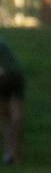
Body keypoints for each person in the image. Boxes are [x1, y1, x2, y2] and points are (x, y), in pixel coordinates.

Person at [0, 36, 25, 166]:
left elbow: (2, 71)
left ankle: (9, 153)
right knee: (15, 118)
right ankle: (15, 154)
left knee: (6, 118)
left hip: (5, 78)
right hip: (17, 77)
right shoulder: (3, 44)